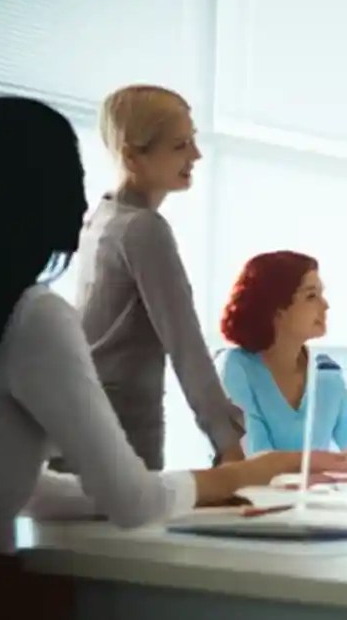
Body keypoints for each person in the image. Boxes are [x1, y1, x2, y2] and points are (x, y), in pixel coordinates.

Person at [0, 97, 347, 620]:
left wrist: (183, 482)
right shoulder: (36, 315)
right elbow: (132, 497)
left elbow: (9, 481)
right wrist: (229, 475)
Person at [62, 84, 244, 472]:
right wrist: (228, 444)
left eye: (192, 141)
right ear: (132, 156)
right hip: (116, 436)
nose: (195, 155)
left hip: (83, 426)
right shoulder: (143, 229)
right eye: (179, 146)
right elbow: (185, 343)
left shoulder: (102, 217)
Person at [218, 251, 347, 454]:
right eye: (311, 296)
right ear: (277, 309)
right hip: (250, 487)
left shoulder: (327, 372)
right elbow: (254, 458)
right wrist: (340, 464)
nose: (325, 305)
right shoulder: (235, 367)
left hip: (313, 486)